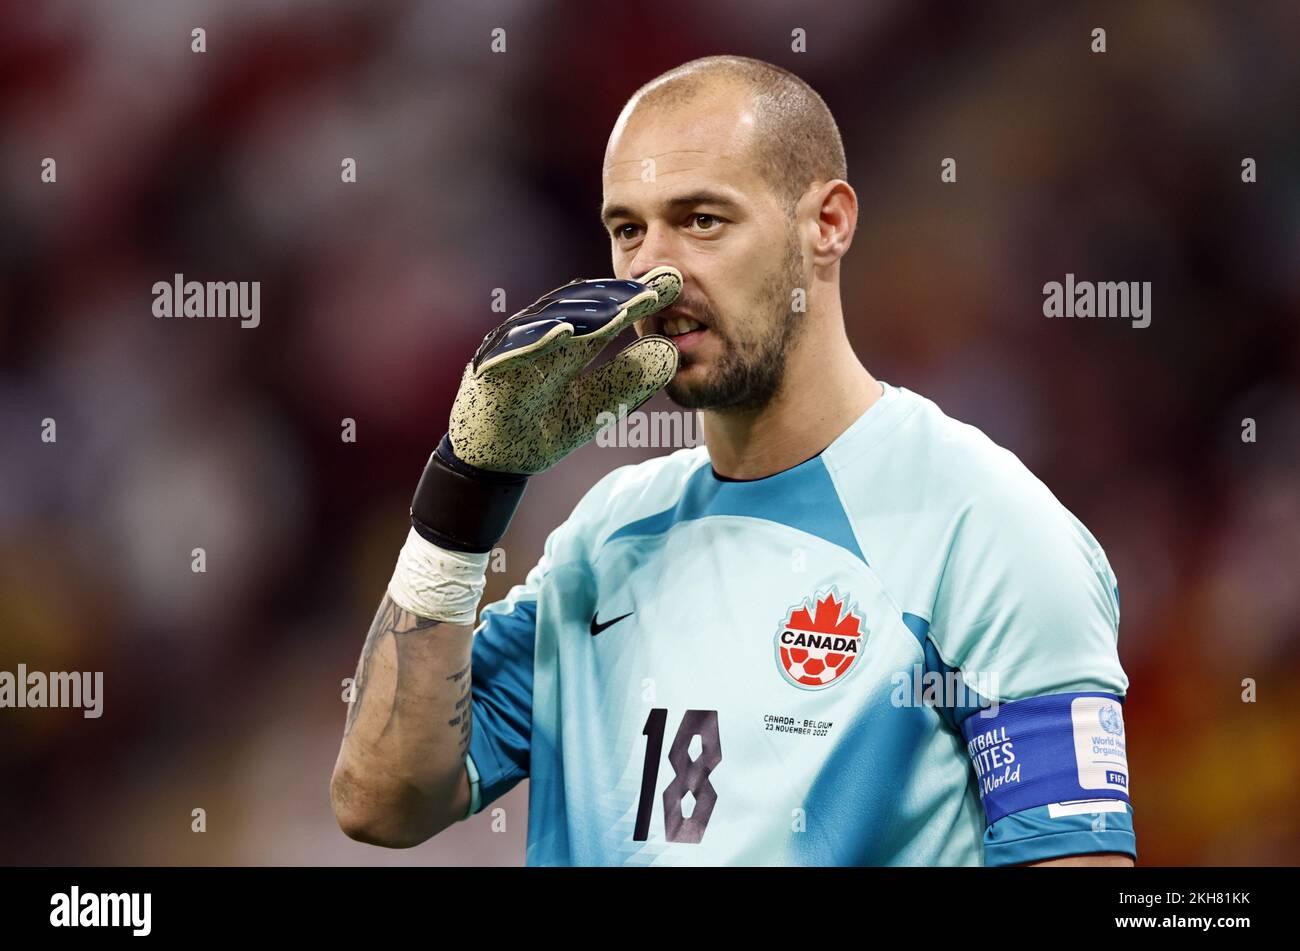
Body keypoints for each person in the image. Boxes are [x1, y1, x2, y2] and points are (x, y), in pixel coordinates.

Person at [330, 55, 1135, 866]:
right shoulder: (607, 535)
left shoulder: (990, 532)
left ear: (828, 223)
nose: (655, 273)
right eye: (628, 230)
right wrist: (465, 495)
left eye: (703, 220)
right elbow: (382, 799)